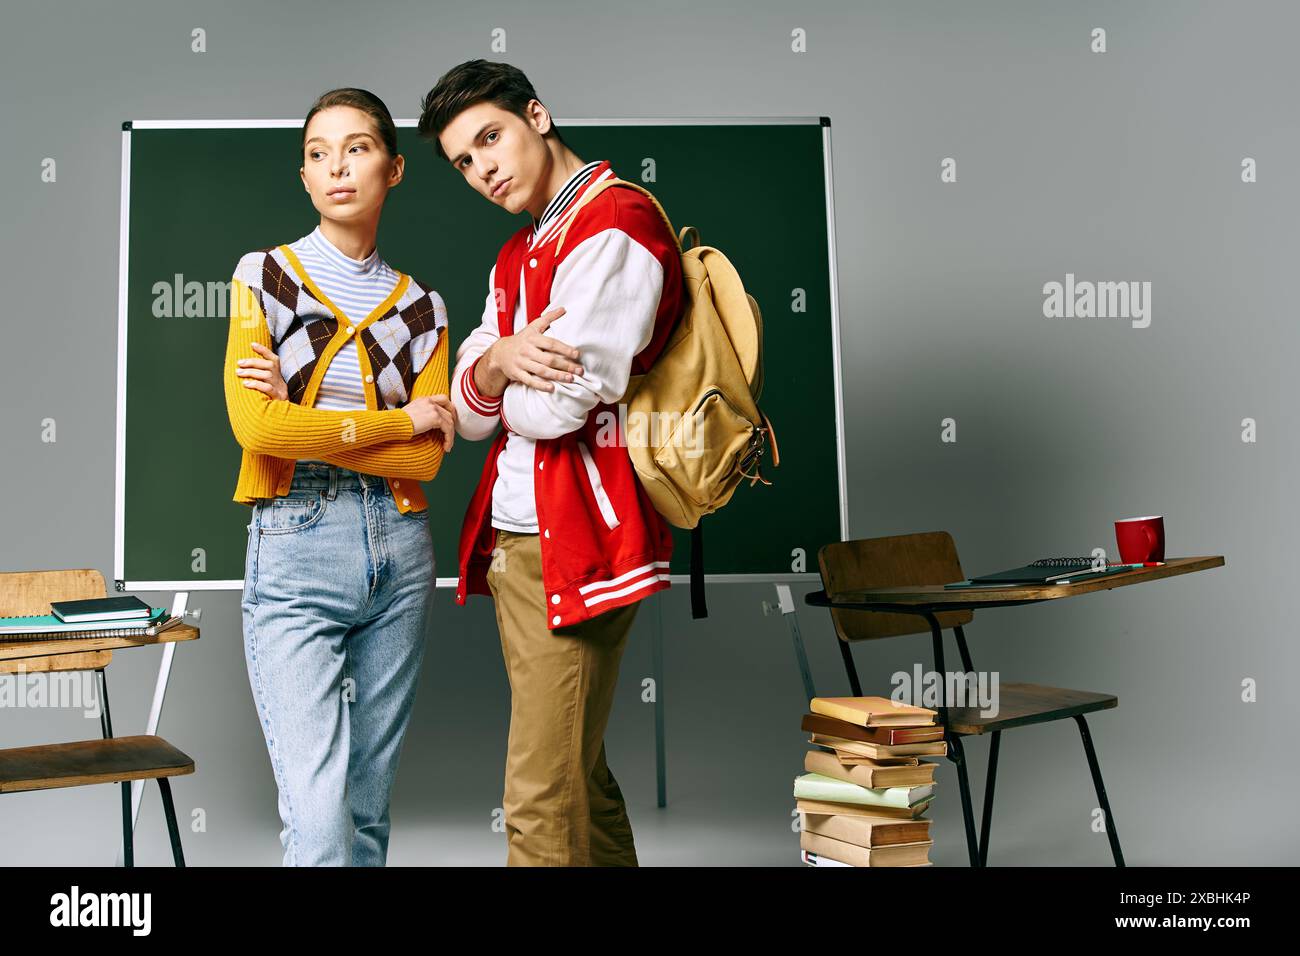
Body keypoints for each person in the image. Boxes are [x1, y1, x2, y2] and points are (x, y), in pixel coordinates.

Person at [418, 60, 684, 866]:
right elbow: (467, 413)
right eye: (464, 161)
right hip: (519, 541)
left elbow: (560, 408)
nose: (482, 168)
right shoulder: (517, 254)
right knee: (577, 770)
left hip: (581, 541)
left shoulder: (613, 226)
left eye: (491, 138)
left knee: (538, 796)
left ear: (537, 115)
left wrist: (494, 373)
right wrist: (500, 362)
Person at [222, 87, 457, 866]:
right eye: (318, 154)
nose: (336, 167)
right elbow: (259, 430)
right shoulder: (264, 275)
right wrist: (398, 421)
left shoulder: (424, 308)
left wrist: (308, 423)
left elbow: (425, 463)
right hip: (295, 540)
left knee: (364, 814)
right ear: (305, 177)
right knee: (319, 824)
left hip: (401, 545)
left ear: (393, 169)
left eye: (356, 149)